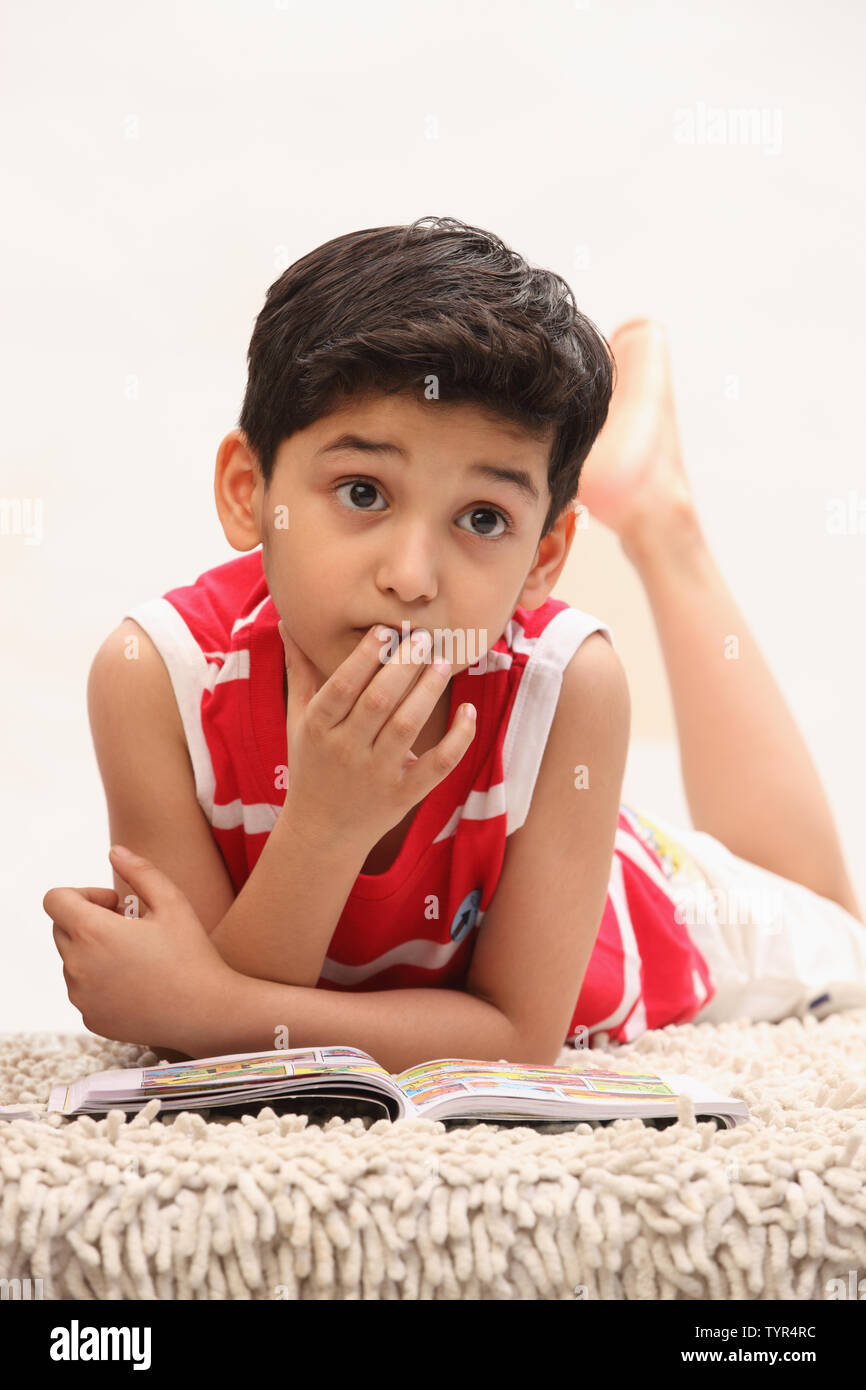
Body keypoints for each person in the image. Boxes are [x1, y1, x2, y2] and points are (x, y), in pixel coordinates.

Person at [43, 217, 866, 1074]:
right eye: (363, 491)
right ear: (250, 492)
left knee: (838, 931)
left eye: (484, 518)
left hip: (625, 899)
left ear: (543, 556)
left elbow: (514, 1038)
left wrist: (203, 999)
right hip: (505, 843)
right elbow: (214, 1051)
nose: (411, 576)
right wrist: (325, 826)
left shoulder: (569, 685)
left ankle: (663, 521)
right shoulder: (158, 676)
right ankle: (635, 491)